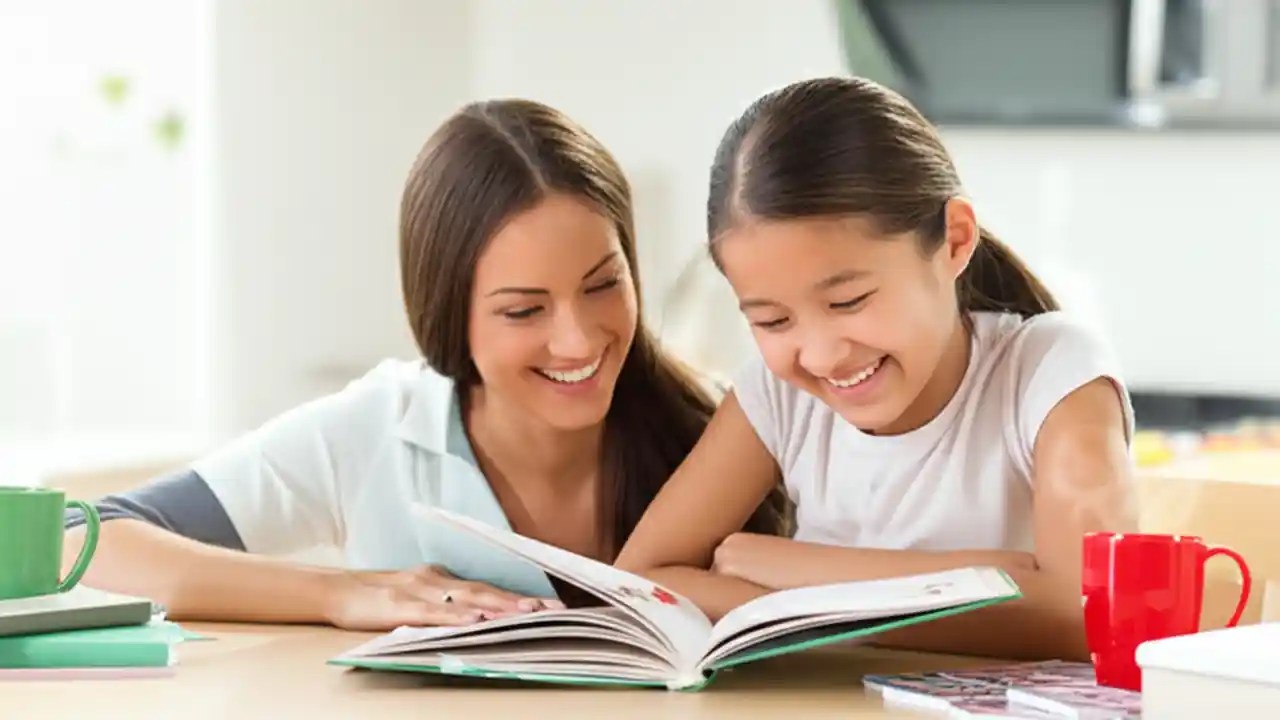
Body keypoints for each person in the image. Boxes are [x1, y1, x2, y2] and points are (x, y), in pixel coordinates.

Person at [63, 98, 781, 631]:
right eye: (524, 310)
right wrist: (343, 593)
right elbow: (82, 537)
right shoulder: (375, 431)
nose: (579, 340)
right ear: (447, 312)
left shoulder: (723, 430)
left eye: (602, 285)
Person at [615, 77, 1137, 660]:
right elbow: (639, 582)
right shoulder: (779, 397)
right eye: (772, 322)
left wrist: (788, 571)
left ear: (954, 242)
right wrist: (986, 581)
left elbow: (1091, 612)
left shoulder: (1048, 372)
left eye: (848, 302)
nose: (821, 356)